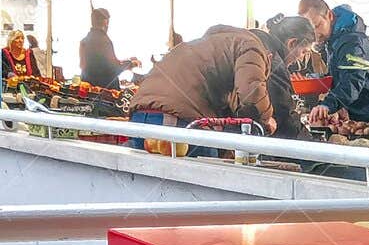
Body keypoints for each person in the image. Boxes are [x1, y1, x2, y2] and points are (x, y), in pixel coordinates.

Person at [130, 26, 278, 154]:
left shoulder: (205, 46)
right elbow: (252, 93)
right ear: (268, 57)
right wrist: (265, 120)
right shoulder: (252, 46)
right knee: (210, 183)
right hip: (180, 123)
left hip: (139, 118)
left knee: (146, 183)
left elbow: (234, 99)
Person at [207, 15, 317, 141]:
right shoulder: (272, 61)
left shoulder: (255, 38)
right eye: (303, 52)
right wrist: (312, 147)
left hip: (204, 113)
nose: (301, 59)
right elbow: (283, 115)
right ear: (292, 43)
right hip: (207, 119)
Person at [297, 0, 369, 129]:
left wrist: (327, 105)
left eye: (317, 26)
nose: (315, 35)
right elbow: (341, 75)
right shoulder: (334, 40)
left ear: (330, 15)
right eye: (310, 30)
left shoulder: (351, 42)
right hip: (361, 116)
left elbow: (352, 80)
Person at [78, 9, 140, 89]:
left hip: (87, 89)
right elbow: (113, 68)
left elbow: (83, 65)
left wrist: (127, 60)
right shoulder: (104, 41)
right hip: (105, 92)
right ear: (105, 22)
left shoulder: (84, 41)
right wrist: (131, 64)